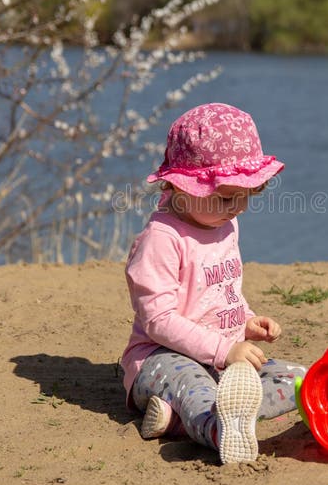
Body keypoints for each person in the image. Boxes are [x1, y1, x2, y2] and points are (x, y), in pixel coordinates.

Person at [120, 102, 306, 464]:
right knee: (195, 388)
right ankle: (217, 427)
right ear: (181, 186)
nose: (239, 207)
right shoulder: (162, 239)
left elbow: (222, 291)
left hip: (224, 359)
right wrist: (222, 351)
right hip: (161, 358)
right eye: (226, 197)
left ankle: (178, 421)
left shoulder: (225, 224)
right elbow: (158, 321)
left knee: (300, 378)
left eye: (246, 195)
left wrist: (246, 320)